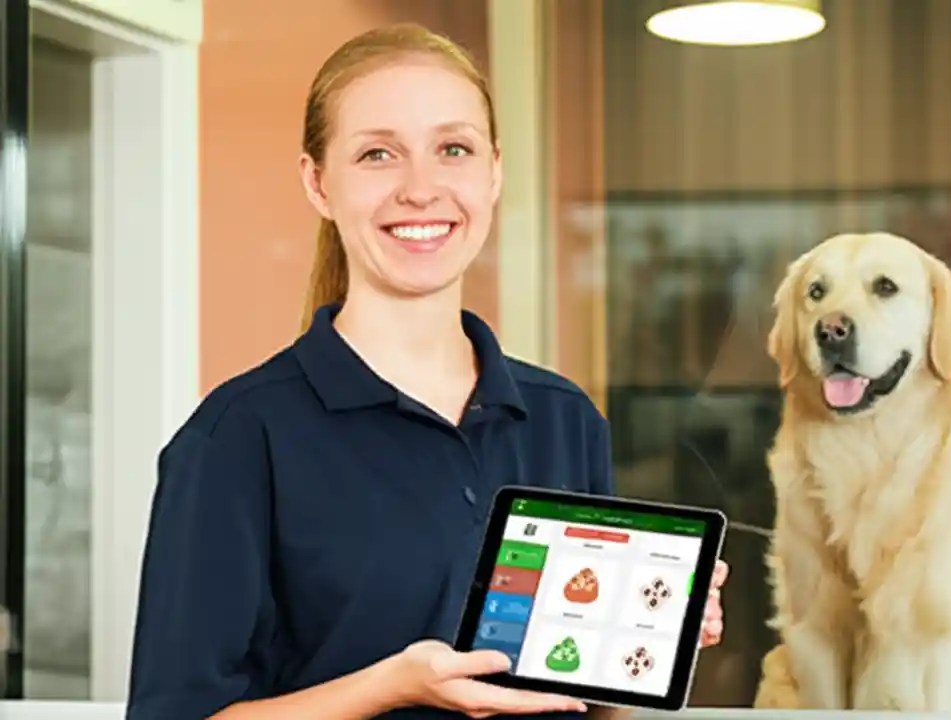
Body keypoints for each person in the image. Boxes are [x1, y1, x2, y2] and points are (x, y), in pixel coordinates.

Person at [125, 22, 728, 720]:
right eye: (379, 154)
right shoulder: (237, 438)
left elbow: (586, 707)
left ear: (494, 171)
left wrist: (647, 637)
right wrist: (392, 685)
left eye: (453, 149)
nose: (421, 188)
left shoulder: (563, 419)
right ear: (317, 182)